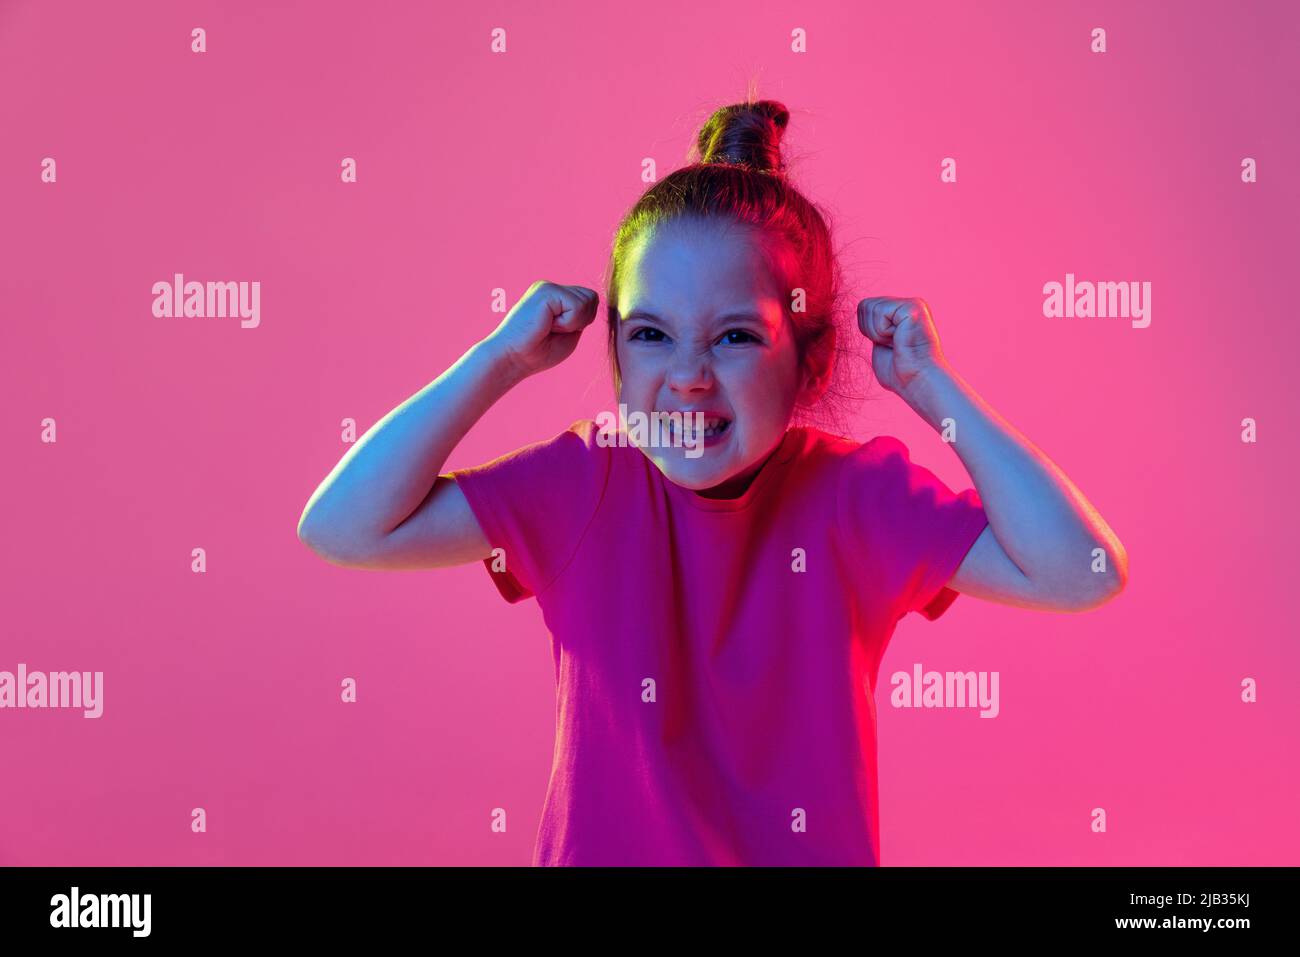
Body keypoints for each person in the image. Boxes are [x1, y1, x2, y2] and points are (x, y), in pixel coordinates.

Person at [296, 98, 1128, 866]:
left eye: (734, 337)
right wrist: (499, 360)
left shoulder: (857, 499)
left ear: (812, 359)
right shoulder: (585, 481)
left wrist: (931, 387)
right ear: (615, 352)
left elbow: (1080, 571)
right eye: (652, 334)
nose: (689, 375)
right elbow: (344, 525)